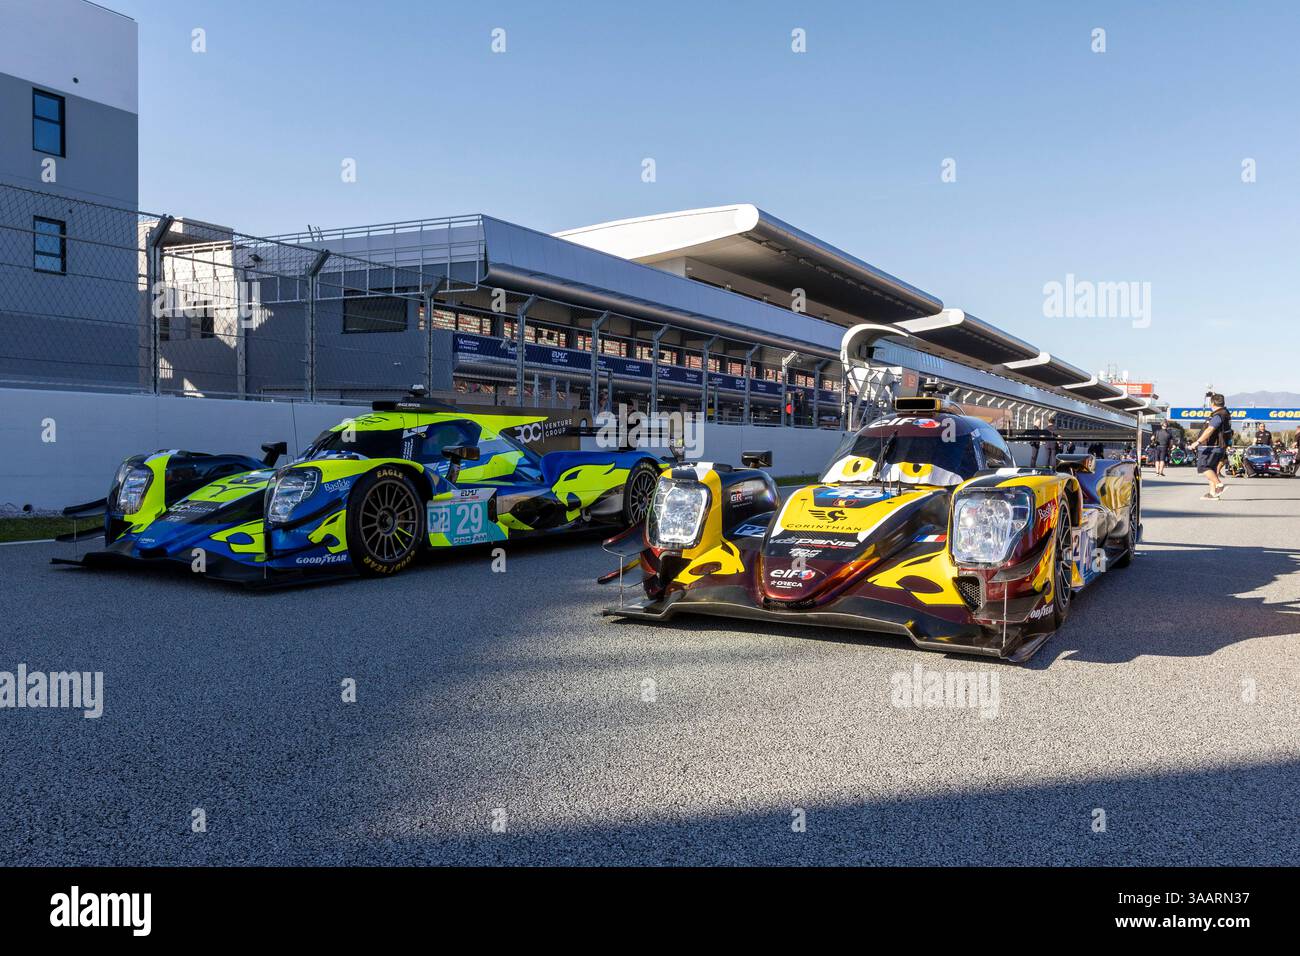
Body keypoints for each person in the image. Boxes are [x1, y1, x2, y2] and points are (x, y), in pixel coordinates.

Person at [1188, 394, 1232, 499]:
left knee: (1204, 467)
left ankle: (1219, 485)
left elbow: (1210, 429)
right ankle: (1213, 494)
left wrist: (1197, 442)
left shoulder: (1218, 415)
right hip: (1218, 447)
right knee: (1211, 469)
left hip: (1211, 446)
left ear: (1212, 403)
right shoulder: (1224, 413)